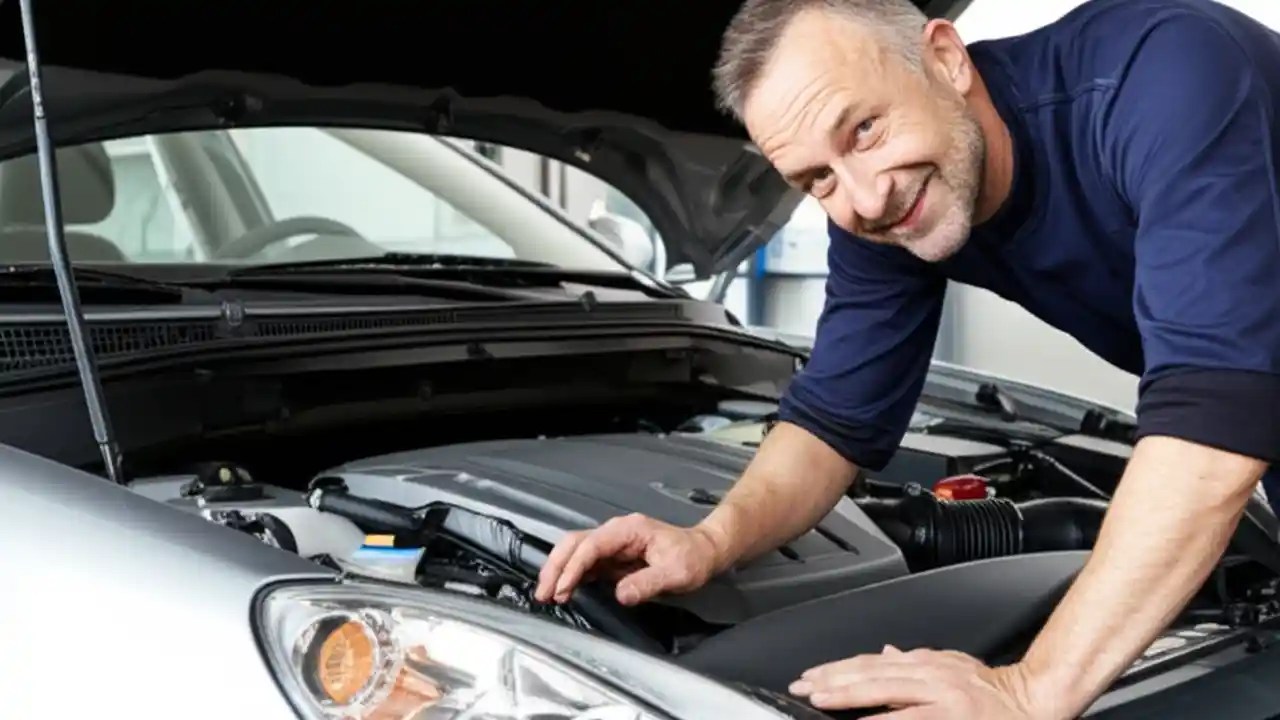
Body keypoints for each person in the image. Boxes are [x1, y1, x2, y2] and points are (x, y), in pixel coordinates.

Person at [535, 0, 1280, 716]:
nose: (862, 198)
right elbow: (834, 419)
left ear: (946, 59)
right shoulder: (882, 208)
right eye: (815, 179)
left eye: (862, 130)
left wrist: (1029, 691)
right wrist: (709, 541)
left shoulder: (1163, 75)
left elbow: (1212, 423)